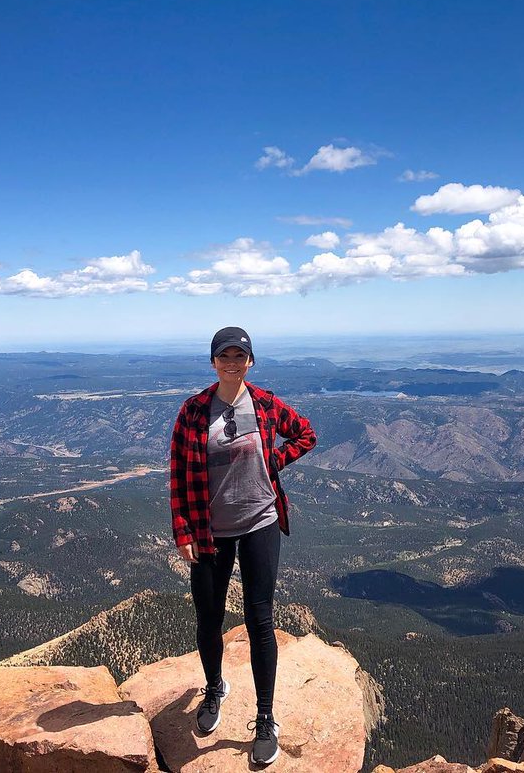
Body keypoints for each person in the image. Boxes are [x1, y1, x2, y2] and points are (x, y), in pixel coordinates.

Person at [169, 326, 316, 766]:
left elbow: (306, 434)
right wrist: (183, 532)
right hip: (211, 530)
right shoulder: (195, 411)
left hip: (261, 522)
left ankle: (266, 717)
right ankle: (215, 687)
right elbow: (177, 474)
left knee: (260, 619)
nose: (232, 363)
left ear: (250, 361)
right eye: (224, 356)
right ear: (213, 362)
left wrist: (274, 461)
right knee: (209, 617)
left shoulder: (265, 403)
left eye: (240, 356)